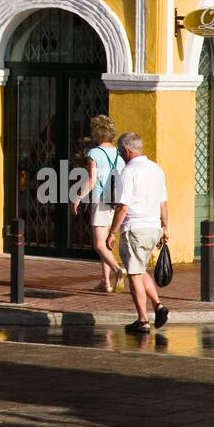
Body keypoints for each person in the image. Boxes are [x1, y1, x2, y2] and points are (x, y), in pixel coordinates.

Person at [106, 132, 170, 335]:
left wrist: (112, 232)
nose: (120, 154)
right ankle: (158, 306)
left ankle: (142, 320)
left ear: (126, 150)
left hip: (135, 228)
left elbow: (123, 207)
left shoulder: (129, 171)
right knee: (141, 270)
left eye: (119, 151)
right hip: (153, 228)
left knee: (134, 274)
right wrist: (165, 227)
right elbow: (163, 202)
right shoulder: (156, 169)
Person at [71, 114, 125, 293]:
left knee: (99, 244)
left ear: (97, 132)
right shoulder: (119, 154)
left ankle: (118, 270)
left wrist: (77, 197)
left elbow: (92, 180)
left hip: (101, 200)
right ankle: (106, 282)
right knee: (108, 243)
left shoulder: (94, 153)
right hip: (116, 202)